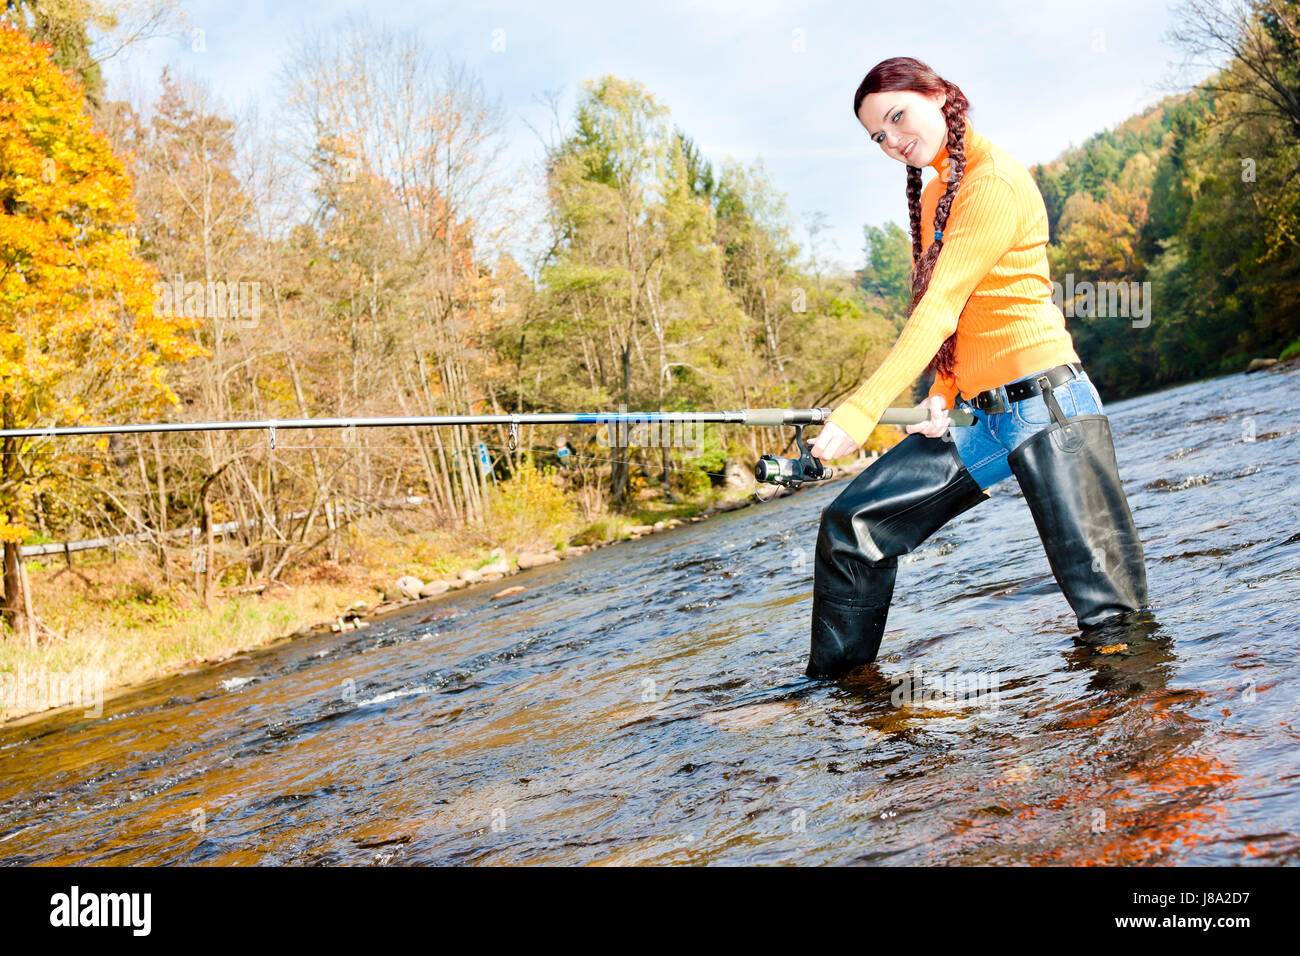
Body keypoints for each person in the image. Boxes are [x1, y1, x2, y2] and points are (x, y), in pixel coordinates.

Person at [804, 56, 1151, 680]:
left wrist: (864, 407)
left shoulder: (993, 182)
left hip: (1049, 408)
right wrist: (942, 391)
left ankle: (1153, 756)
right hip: (982, 418)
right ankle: (837, 696)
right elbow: (959, 311)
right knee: (853, 527)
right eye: (877, 137)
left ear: (938, 95)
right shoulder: (938, 186)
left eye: (896, 116)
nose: (892, 141)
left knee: (1112, 623)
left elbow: (941, 305)